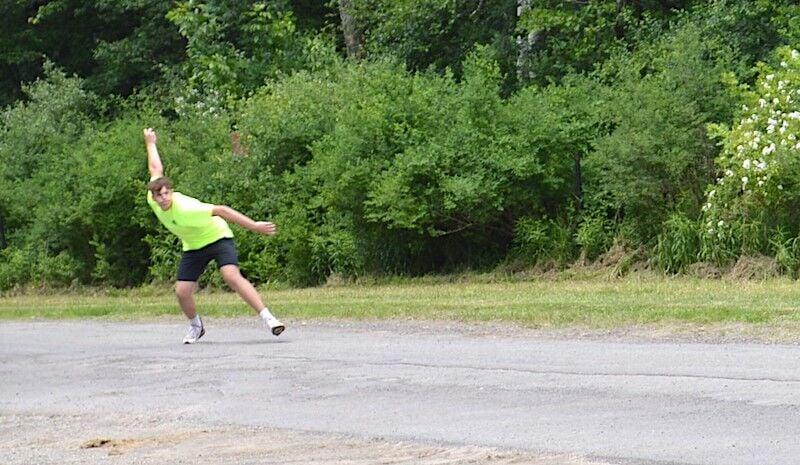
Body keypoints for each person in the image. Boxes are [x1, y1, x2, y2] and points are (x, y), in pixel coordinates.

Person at [143, 127, 285, 343]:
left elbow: (222, 210)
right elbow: (155, 167)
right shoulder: (152, 199)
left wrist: (254, 226)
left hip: (217, 237)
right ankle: (196, 326)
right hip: (193, 246)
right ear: (153, 196)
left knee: (231, 276)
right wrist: (151, 142)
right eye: (158, 195)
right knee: (182, 291)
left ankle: (269, 319)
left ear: (171, 192)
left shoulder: (186, 207)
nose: (163, 198)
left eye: (166, 193)